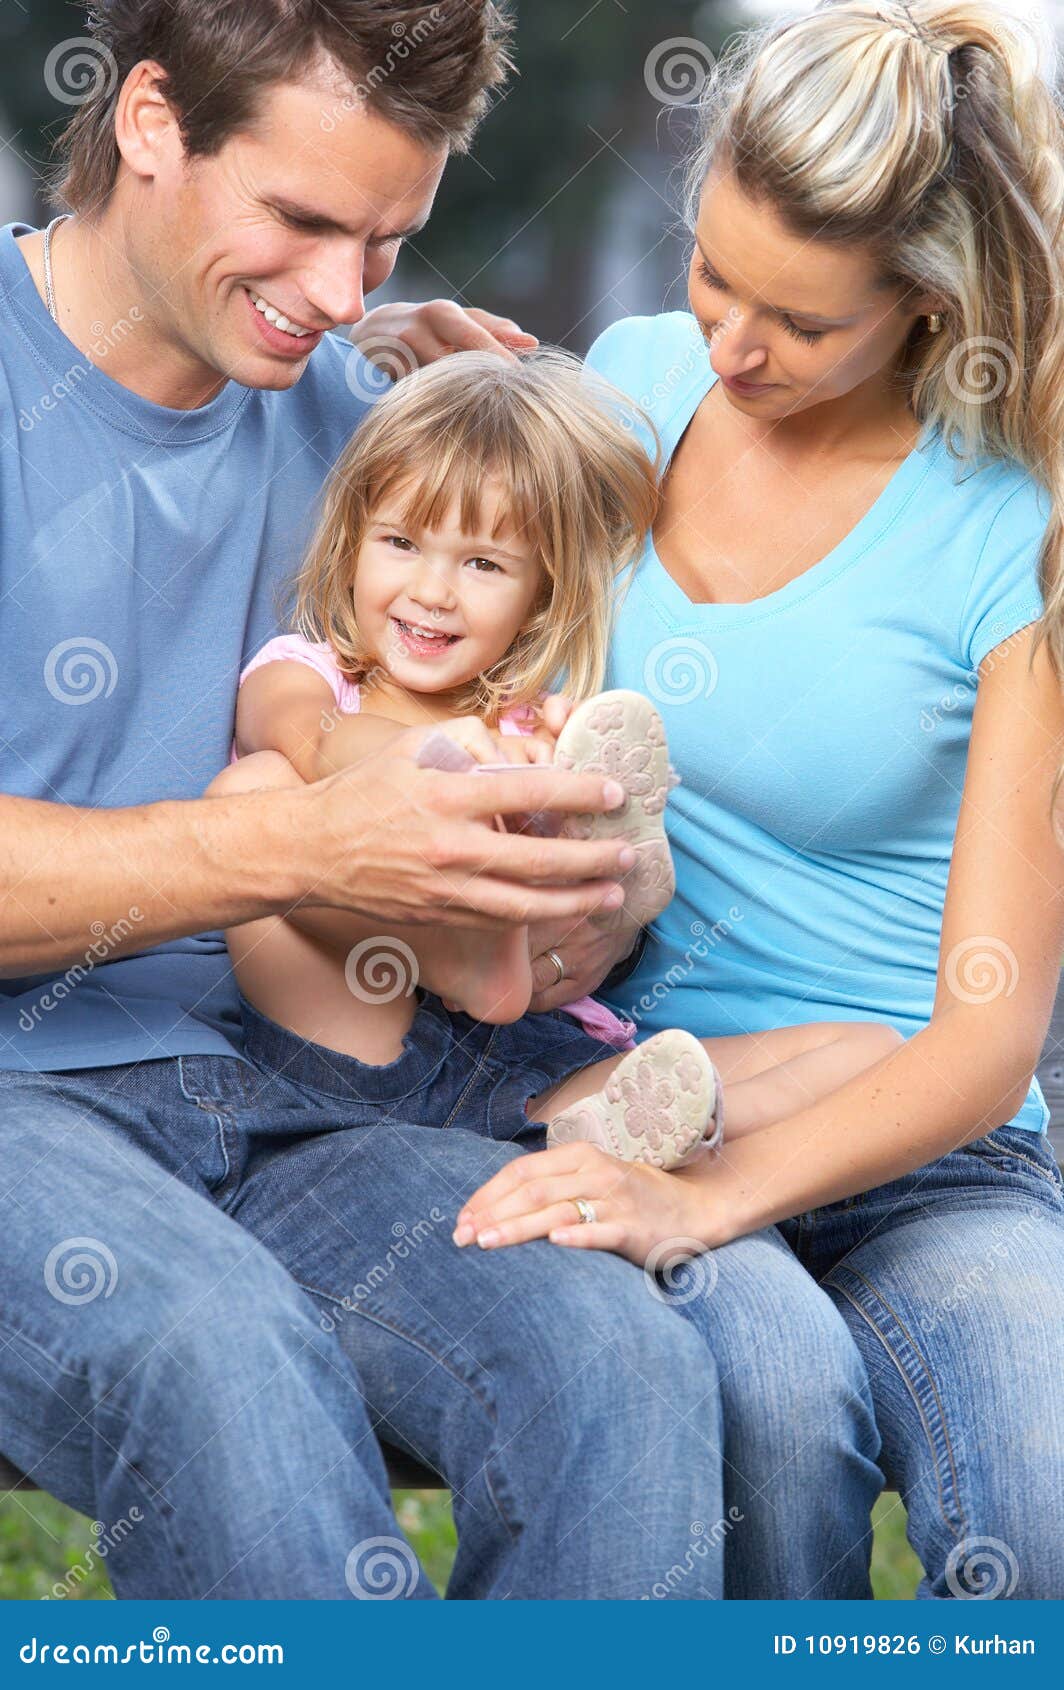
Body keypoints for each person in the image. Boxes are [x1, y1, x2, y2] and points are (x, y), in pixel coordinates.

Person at [0, 0, 730, 1600]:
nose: (337, 296)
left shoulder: (362, 424)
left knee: (617, 1356)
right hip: (25, 1104)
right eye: (302, 220)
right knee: (216, 1359)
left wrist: (577, 900)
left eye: (385, 239)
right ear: (145, 123)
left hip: (303, 1096)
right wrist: (307, 835)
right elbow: (322, 816)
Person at [443, 1, 1064, 1597]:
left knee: (1041, 1500)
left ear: (928, 305)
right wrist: (432, 395)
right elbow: (442, 581)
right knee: (775, 1419)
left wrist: (699, 1201)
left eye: (799, 320)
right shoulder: (636, 387)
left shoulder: (1016, 528)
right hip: (639, 1079)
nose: (733, 344)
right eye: (712, 272)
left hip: (930, 1140)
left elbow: (987, 1043)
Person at [211, 346, 904, 1173]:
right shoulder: (313, 670)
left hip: (533, 1069)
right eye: (400, 541)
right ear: (351, 542)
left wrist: (558, 807)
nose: (433, 590)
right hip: (366, 1041)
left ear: (540, 592)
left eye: (482, 564)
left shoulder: (530, 720)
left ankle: (668, 1122)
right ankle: (466, 953)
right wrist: (454, 768)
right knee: (251, 797)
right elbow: (307, 736)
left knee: (870, 1050)